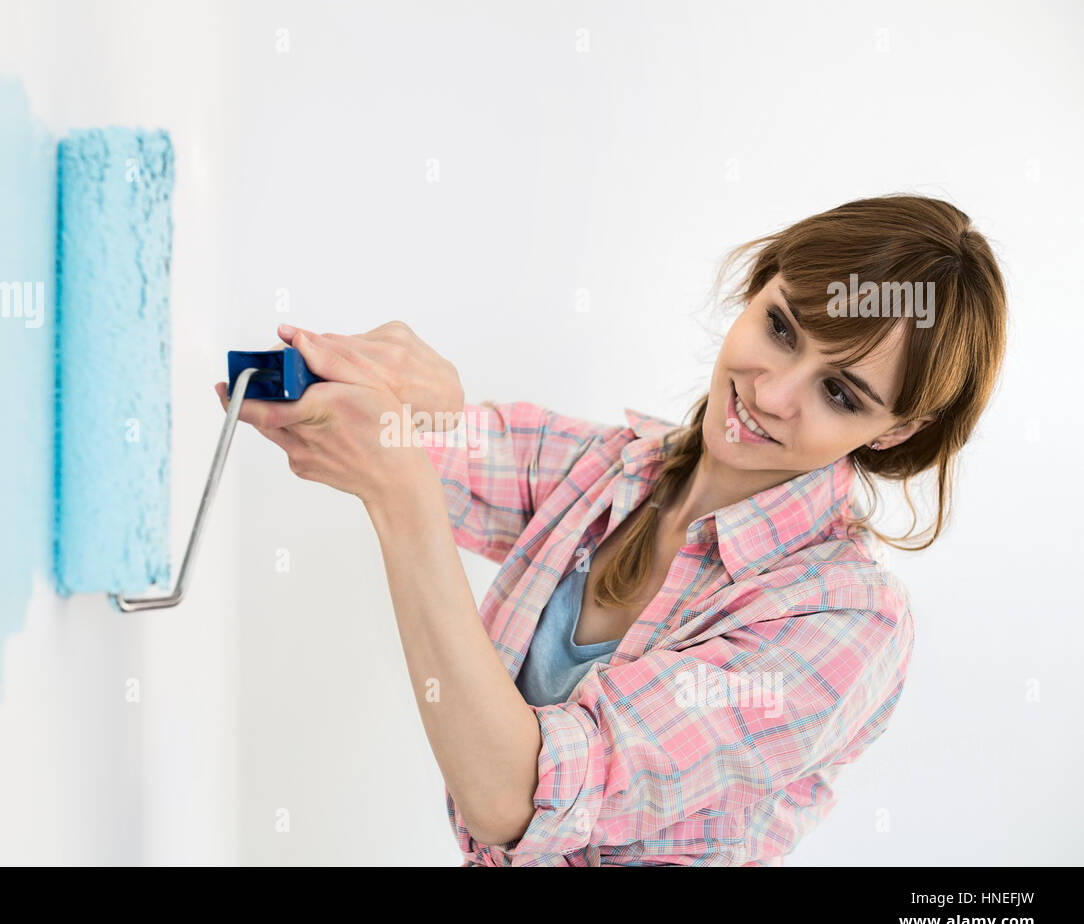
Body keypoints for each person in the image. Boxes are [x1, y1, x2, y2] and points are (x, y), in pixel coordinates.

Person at [216, 193, 1007, 866]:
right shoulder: (607, 472)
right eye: (782, 328)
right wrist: (415, 405)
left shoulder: (845, 621)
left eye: (840, 392)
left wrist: (402, 500)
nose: (773, 394)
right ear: (759, 288)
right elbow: (439, 448)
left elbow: (515, 800)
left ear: (898, 431)